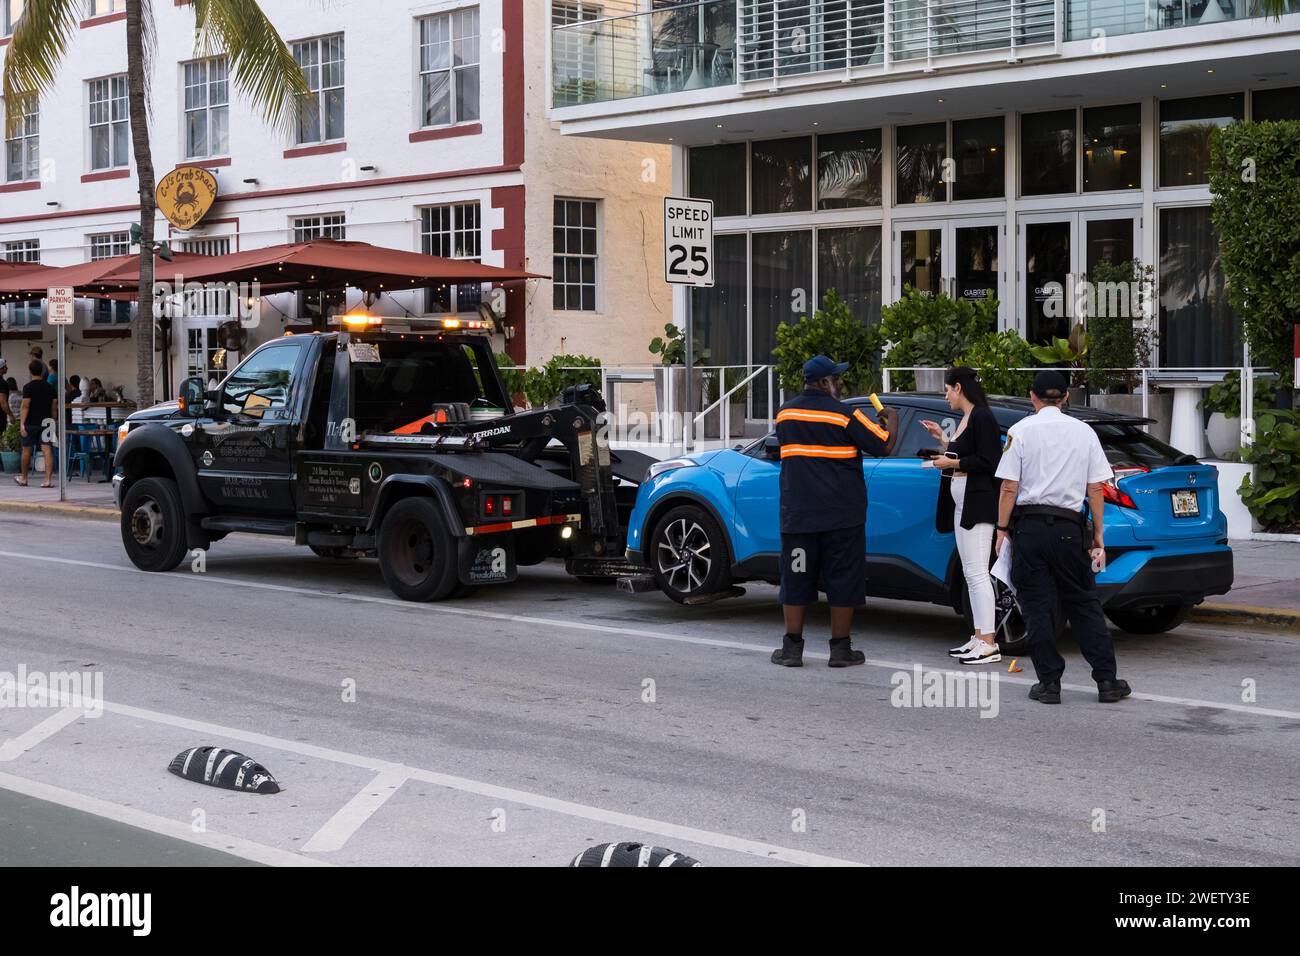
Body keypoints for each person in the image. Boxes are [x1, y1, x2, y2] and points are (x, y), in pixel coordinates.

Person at [993, 370, 1131, 704]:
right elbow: (1096, 487)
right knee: (1084, 604)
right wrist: (1098, 535)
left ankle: (1049, 684)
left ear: (1032, 396)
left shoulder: (1019, 431)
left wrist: (1001, 530)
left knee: (1038, 607)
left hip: (1029, 530)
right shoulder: (1084, 432)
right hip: (1069, 530)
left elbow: (1009, 486)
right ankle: (1107, 681)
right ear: (1066, 397)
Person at [770, 355, 899, 668]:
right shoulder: (845, 414)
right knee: (843, 578)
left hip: (799, 514)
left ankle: (792, 649)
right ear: (824, 382)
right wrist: (891, 419)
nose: (839, 383)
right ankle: (840, 650)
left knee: (796, 577)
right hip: (842, 516)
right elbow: (884, 445)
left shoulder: (785, 413)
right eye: (836, 379)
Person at [921, 366, 1003, 665]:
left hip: (978, 503)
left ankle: (990, 643)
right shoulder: (968, 417)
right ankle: (979, 636)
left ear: (958, 387)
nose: (946, 396)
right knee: (970, 573)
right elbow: (964, 453)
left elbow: (989, 460)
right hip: (962, 503)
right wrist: (943, 440)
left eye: (947, 390)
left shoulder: (982, 416)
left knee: (979, 572)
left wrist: (948, 464)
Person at [17, 359, 56, 488]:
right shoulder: (50, 387)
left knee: (26, 450)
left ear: (30, 371)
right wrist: (54, 421)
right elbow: (54, 406)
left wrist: (22, 424)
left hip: (31, 423)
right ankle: (48, 480)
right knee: (47, 449)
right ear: (43, 371)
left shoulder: (28, 387)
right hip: (47, 422)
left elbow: (25, 406)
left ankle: (24, 478)